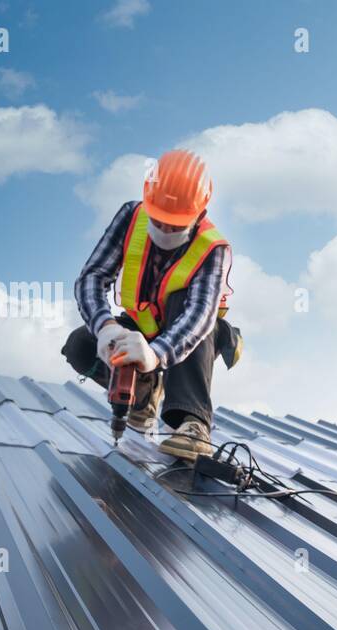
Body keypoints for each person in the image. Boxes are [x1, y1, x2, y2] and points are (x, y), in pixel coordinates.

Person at [64, 148, 241, 461]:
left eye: (176, 225)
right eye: (159, 221)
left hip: (195, 334)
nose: (165, 230)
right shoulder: (130, 217)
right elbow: (92, 277)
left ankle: (192, 422)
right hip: (143, 327)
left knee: (183, 304)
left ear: (199, 212)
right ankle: (142, 393)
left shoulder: (213, 247)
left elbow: (198, 316)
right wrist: (105, 327)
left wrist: (155, 354)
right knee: (80, 345)